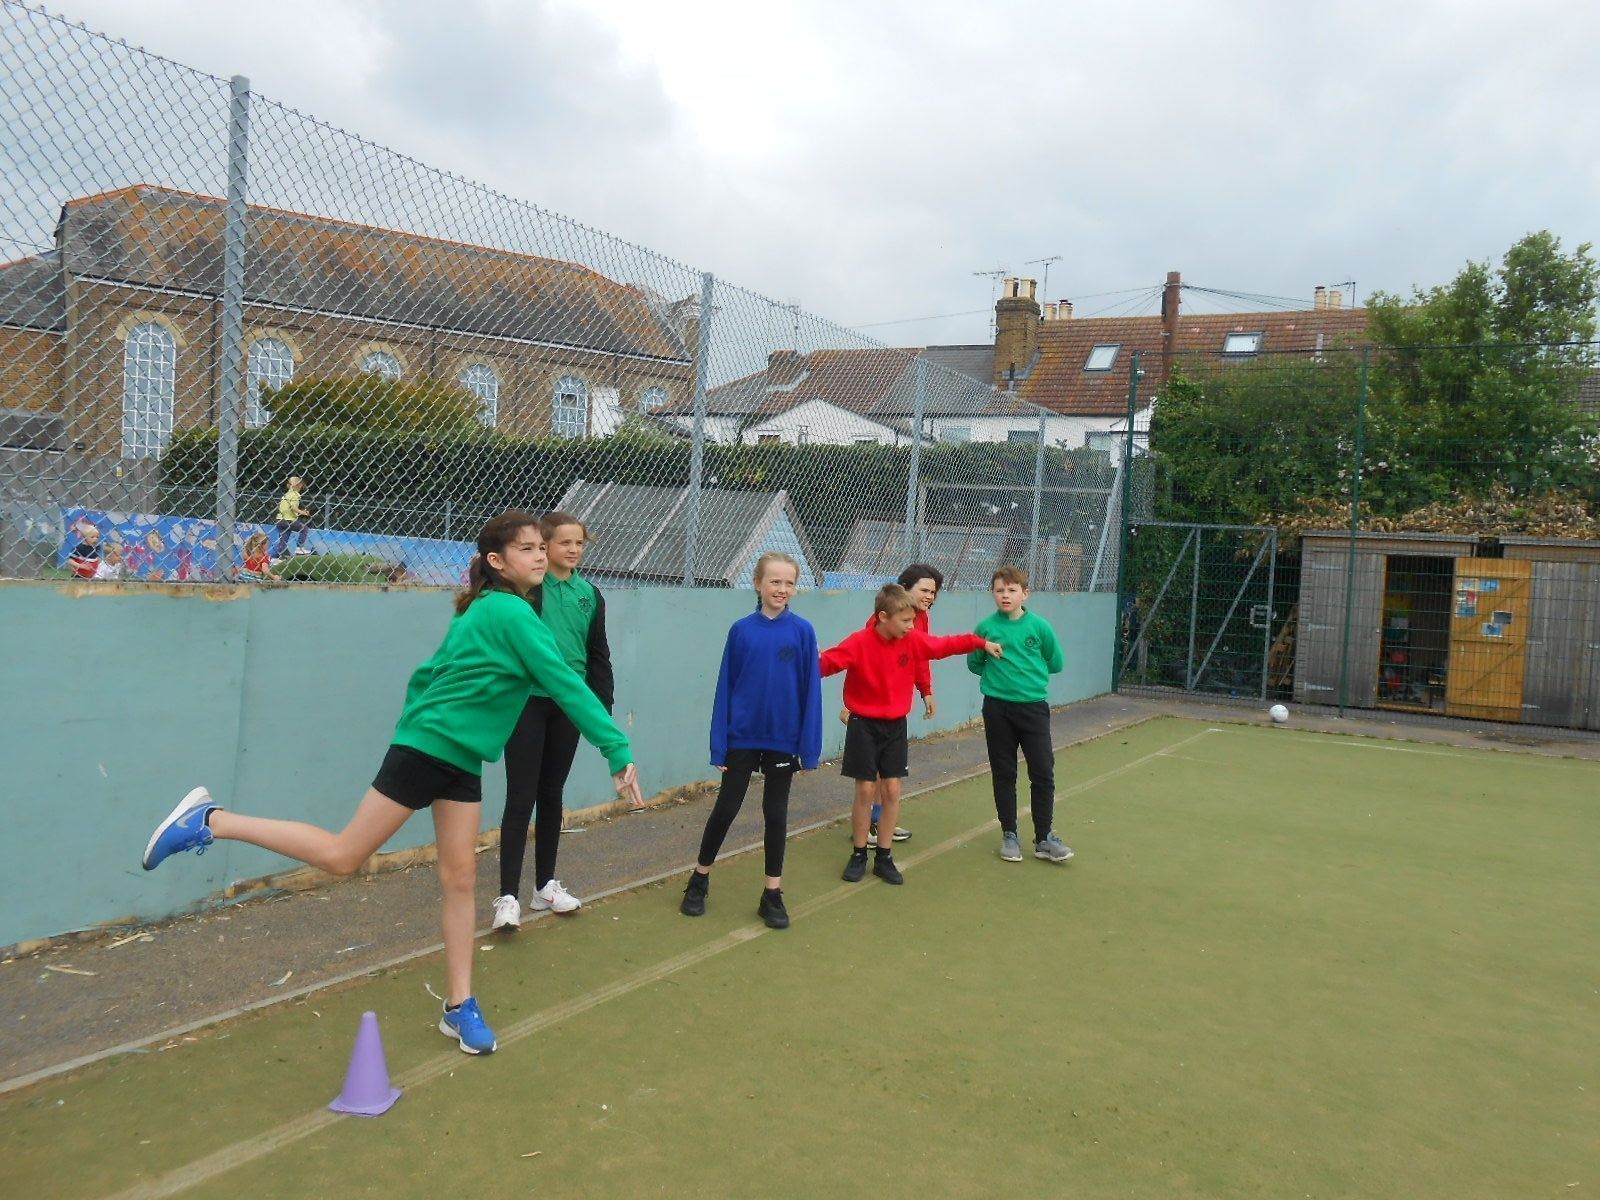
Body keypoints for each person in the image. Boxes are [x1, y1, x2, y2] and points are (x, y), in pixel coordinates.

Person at [141, 511, 643, 1057]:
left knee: (460, 879)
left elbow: (431, 672)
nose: (540, 556)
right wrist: (617, 750)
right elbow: (564, 681)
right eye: (527, 550)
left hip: (461, 755)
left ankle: (460, 1005)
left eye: (540, 548)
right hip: (429, 748)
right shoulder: (508, 610)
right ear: (497, 562)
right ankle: (212, 820)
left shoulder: (489, 607)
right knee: (343, 857)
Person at [821, 584, 1000, 885]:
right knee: (865, 790)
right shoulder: (859, 642)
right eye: (905, 620)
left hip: (894, 727)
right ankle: (859, 854)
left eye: (912, 620)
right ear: (883, 617)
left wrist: (980, 643)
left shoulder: (912, 640)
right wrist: (804, 660)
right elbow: (826, 664)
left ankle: (884, 857)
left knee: (892, 790)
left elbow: (944, 645)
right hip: (863, 725)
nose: (911, 626)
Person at [680, 551, 822, 929]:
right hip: (741, 737)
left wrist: (808, 748)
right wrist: (720, 744)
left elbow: (811, 692)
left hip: (783, 739)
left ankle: (772, 894)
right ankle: (699, 879)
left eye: (789, 582)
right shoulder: (741, 630)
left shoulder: (803, 632)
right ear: (758, 584)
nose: (782, 588)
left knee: (775, 814)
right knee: (727, 807)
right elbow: (725, 688)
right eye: (774, 581)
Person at [491, 511, 614, 931]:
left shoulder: (590, 594)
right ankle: (508, 897)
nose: (573, 550)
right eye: (564, 543)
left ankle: (544, 887)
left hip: (569, 706)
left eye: (579, 543)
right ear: (544, 547)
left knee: (551, 793)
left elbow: (598, 654)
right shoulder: (528, 592)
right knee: (520, 796)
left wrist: (600, 710)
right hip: (527, 702)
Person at [968, 565, 1072, 864]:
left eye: (1012, 590)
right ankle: (1009, 835)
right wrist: (999, 677)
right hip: (997, 710)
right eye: (999, 590)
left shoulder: (1040, 627)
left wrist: (1027, 677)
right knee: (1004, 772)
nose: (1005, 595)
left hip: (1033, 709)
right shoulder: (985, 627)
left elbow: (1056, 663)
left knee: (1042, 771)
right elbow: (974, 663)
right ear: (993, 594)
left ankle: (1044, 838)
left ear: (1025, 594)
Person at [844, 564, 945, 845]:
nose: (929, 596)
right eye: (924, 590)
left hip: (893, 709)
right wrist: (852, 706)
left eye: (933, 592)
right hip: (871, 711)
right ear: (905, 589)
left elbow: (921, 656)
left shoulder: (919, 618)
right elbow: (865, 663)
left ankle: (877, 822)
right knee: (871, 778)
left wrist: (925, 690)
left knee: (887, 776)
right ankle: (866, 829)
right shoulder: (881, 623)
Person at [274, 476, 312, 559]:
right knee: (304, 529)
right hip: (288, 520)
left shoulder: (286, 494)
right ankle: (299, 548)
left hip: (280, 520)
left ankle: (280, 555)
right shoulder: (295, 495)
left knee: (284, 537)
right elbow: (293, 507)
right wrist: (303, 512)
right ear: (300, 485)